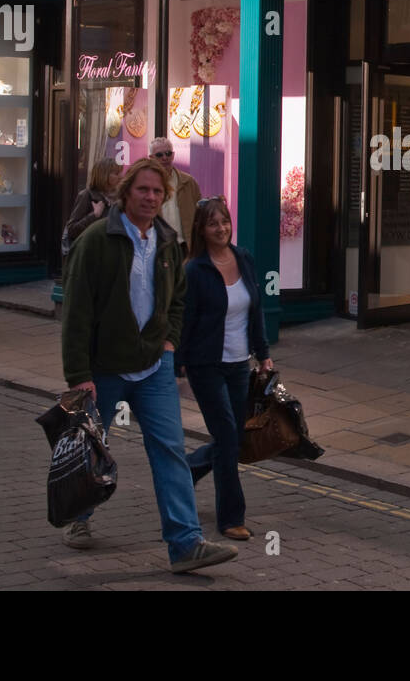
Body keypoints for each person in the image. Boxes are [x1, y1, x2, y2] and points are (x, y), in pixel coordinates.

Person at [59, 157, 237, 573]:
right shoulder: (97, 240)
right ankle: (77, 518)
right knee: (91, 449)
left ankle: (185, 544)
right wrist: (79, 376)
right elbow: (77, 311)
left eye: (158, 192)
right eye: (143, 189)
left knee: (170, 451)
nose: (151, 197)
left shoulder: (168, 241)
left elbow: (177, 298)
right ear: (126, 192)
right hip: (103, 368)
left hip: (154, 364)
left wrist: (170, 342)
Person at [178, 197, 274, 542]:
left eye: (225, 222)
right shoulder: (194, 270)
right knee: (228, 438)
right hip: (206, 366)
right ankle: (231, 518)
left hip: (239, 364)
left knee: (230, 438)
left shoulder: (244, 258)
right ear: (201, 230)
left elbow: (256, 309)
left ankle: (187, 470)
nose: (221, 229)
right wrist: (178, 369)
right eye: (213, 224)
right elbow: (185, 321)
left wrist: (263, 353)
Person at [62, 157, 122, 261]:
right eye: (116, 174)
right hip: (92, 256)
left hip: (113, 254)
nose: (120, 177)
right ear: (104, 175)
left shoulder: (120, 198)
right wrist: (94, 215)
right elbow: (72, 229)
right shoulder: (87, 196)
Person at [149, 137, 201, 253]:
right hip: (158, 247)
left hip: (185, 246)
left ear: (173, 155)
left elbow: (200, 215)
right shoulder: (147, 184)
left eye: (168, 153)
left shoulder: (188, 182)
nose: (164, 158)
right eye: (159, 155)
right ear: (151, 158)